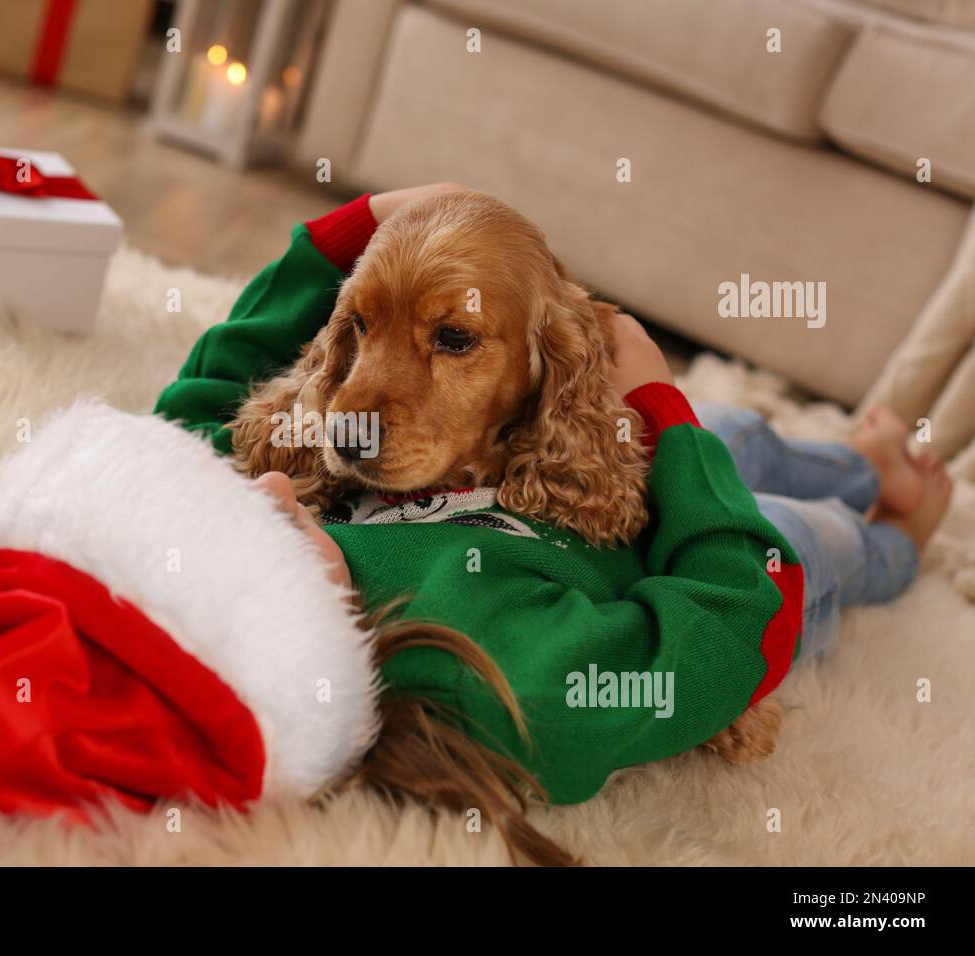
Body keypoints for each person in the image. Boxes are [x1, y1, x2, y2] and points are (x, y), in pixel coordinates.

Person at [154, 184, 953, 864]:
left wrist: (368, 220)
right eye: (456, 338)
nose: (356, 411)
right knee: (808, 534)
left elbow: (186, 421)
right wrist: (665, 415)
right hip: (716, 571)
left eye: (448, 340)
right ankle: (904, 536)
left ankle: (862, 460)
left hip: (557, 451)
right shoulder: (474, 656)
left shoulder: (286, 496)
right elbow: (720, 631)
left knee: (738, 433)